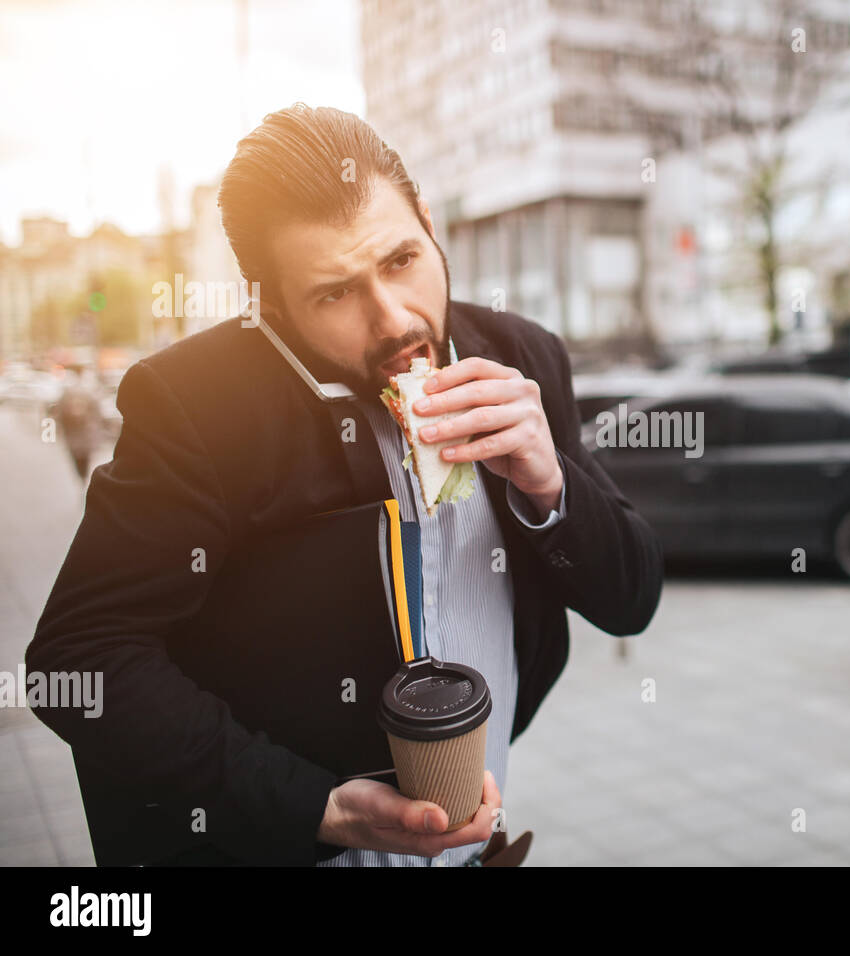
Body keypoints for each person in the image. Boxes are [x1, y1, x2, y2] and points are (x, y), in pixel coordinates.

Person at [26, 104, 664, 867]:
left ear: (428, 222)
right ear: (270, 306)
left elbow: (631, 600)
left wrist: (549, 484)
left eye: (401, 260)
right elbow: (78, 658)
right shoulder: (196, 404)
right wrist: (314, 808)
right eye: (334, 294)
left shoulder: (522, 354)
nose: (394, 320)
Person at [52, 366, 102, 481]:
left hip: (73, 432)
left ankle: (81, 476)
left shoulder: (67, 391)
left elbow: (59, 412)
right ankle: (83, 476)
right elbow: (97, 412)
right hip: (85, 432)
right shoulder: (89, 390)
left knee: (77, 456)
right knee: (85, 457)